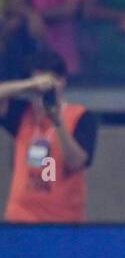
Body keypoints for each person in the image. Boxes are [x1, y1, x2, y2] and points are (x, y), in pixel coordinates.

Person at [0, 49, 96, 222]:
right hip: (20, 217)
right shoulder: (23, 113)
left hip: (62, 220)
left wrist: (57, 121)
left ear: (63, 81)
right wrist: (29, 85)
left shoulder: (80, 116)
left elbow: (76, 162)